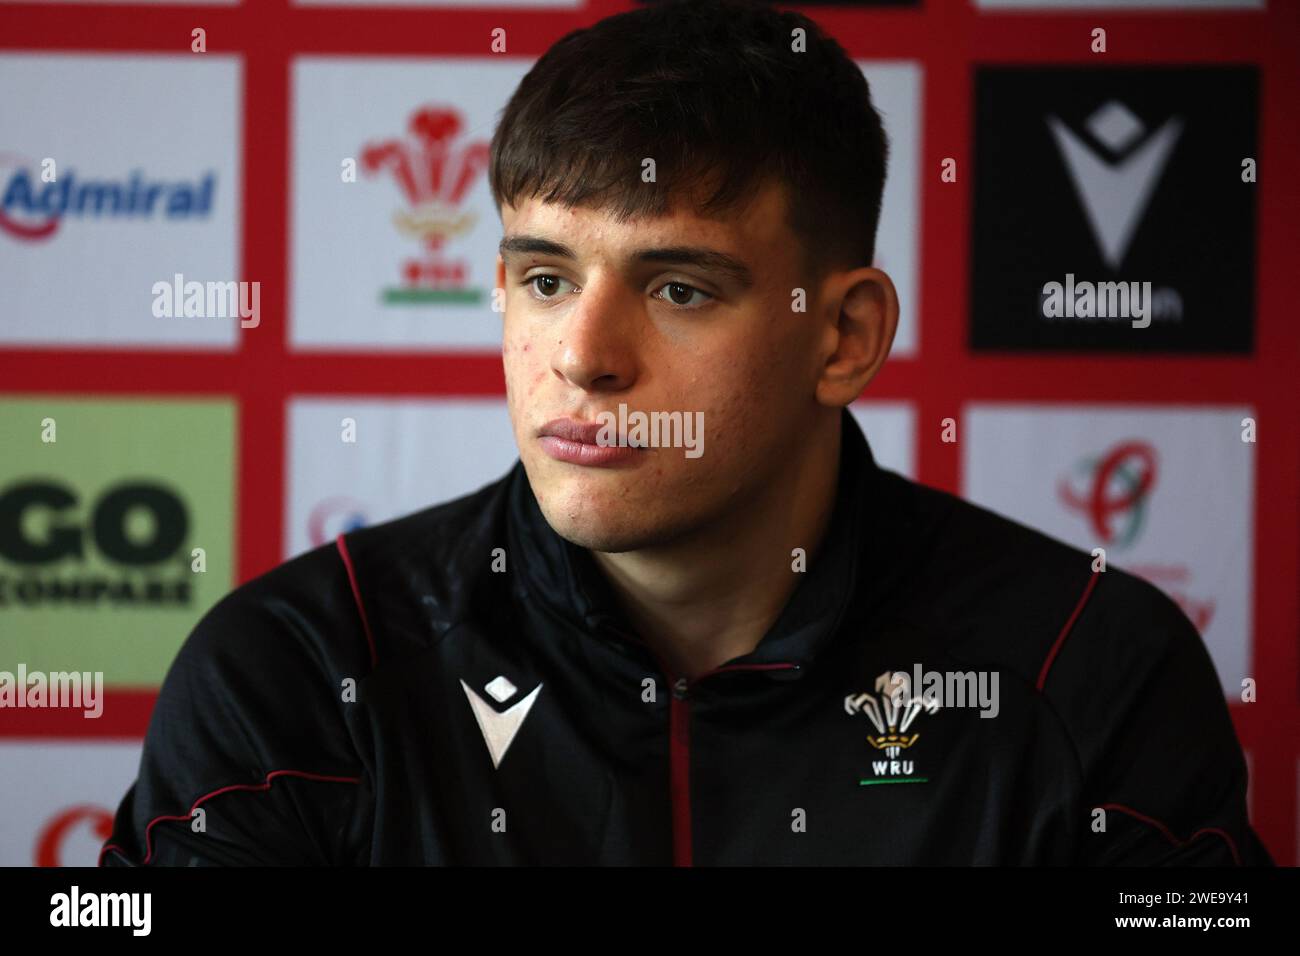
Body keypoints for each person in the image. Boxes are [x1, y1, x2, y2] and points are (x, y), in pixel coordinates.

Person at [100, 0, 1272, 866]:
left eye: (679, 289)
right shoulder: (297, 671)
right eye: (547, 278)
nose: (582, 355)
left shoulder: (1090, 669)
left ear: (844, 336)